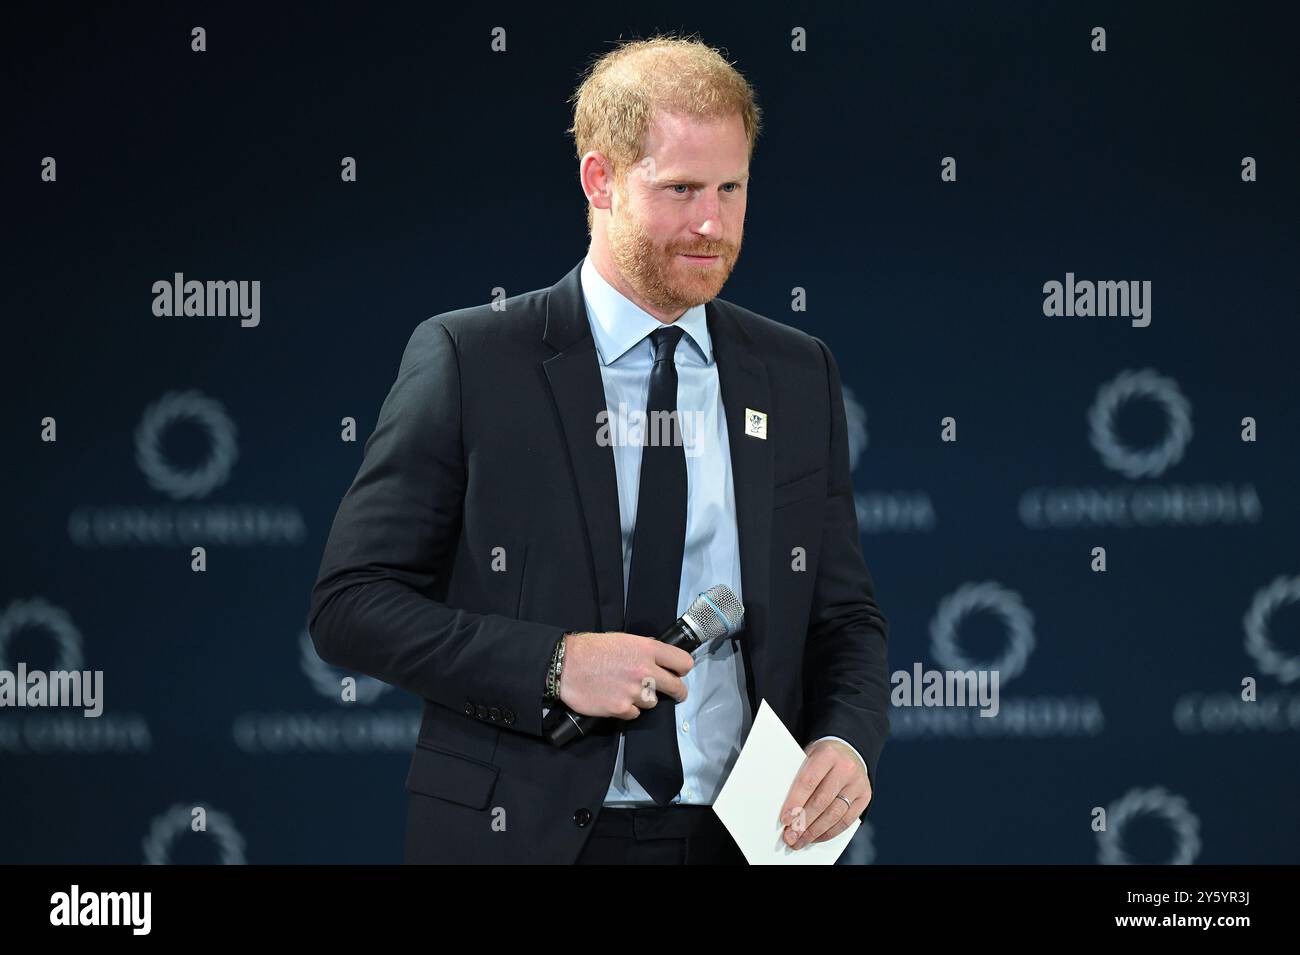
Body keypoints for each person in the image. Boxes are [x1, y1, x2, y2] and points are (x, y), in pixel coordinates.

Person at [308, 34, 890, 865]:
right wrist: (552, 663)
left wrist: (849, 742)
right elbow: (351, 603)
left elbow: (846, 617)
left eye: (732, 188)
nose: (711, 223)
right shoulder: (470, 360)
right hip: (521, 838)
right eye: (681, 188)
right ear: (600, 180)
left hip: (744, 840)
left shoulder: (797, 372)